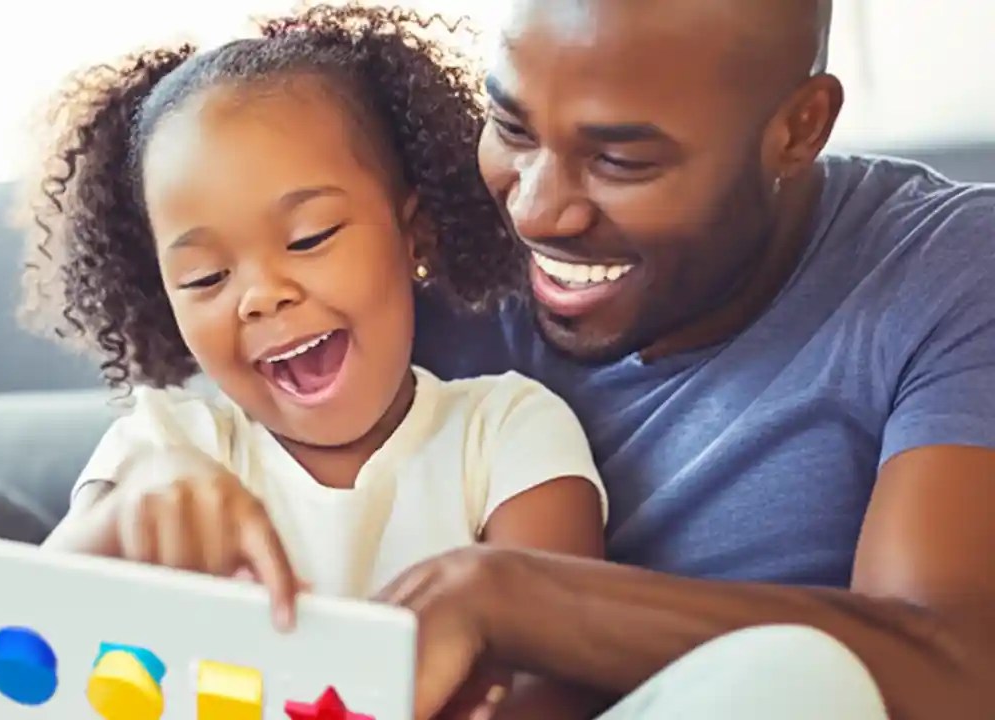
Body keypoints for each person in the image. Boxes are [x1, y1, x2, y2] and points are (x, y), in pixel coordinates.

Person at [386, 0, 995, 718]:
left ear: (798, 129)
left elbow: (960, 670)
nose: (536, 212)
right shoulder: (408, 252)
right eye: (512, 127)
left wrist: (507, 597)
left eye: (620, 160)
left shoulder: (946, 270)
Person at [23, 5, 607, 714]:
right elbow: (17, 645)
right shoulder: (165, 447)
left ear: (414, 234)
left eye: (309, 237)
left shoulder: (509, 430)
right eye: (207, 278)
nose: (261, 297)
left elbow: (557, 667)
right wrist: (117, 522)